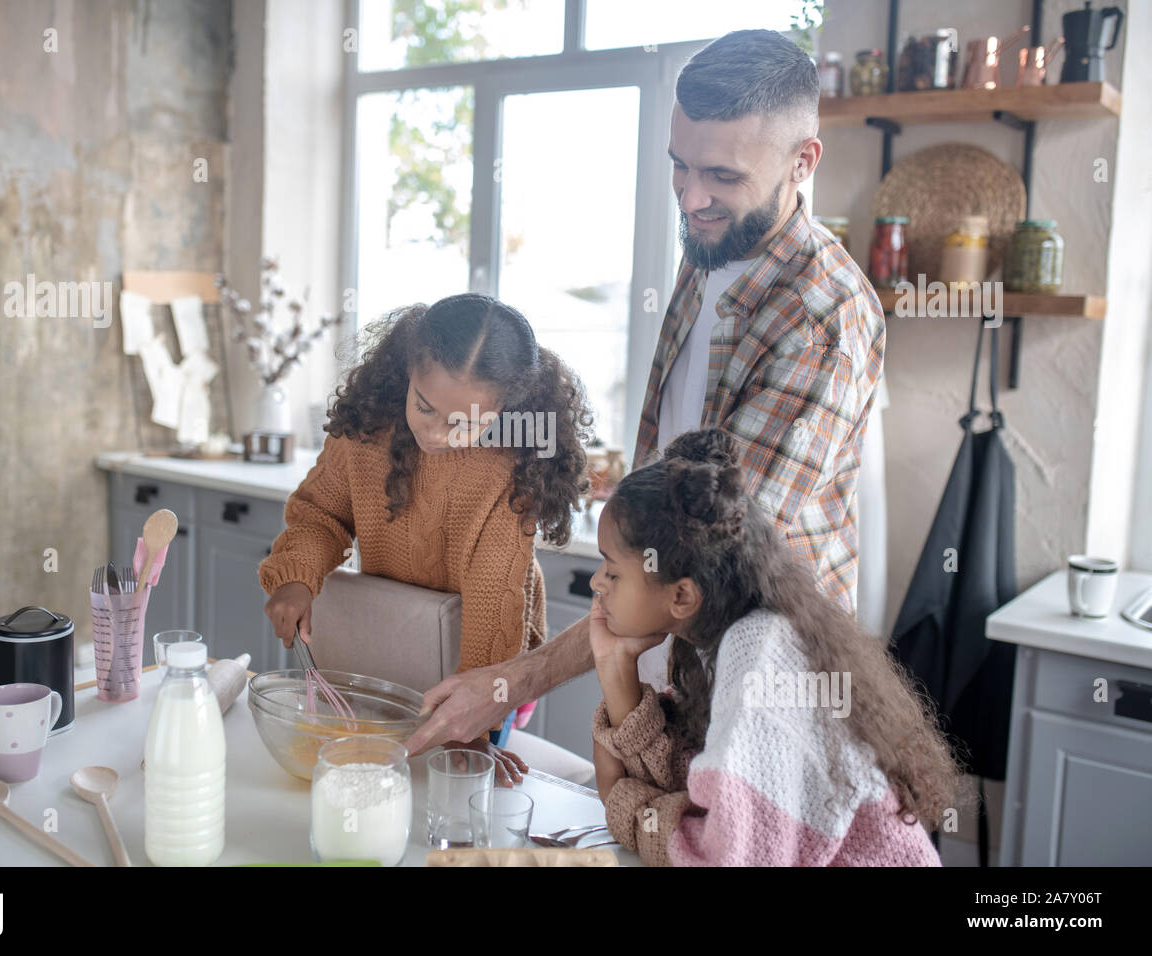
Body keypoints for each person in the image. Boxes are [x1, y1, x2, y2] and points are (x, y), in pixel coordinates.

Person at [406, 28, 885, 758]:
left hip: (768, 698)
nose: (692, 198)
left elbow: (694, 555)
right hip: (682, 667)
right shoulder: (710, 251)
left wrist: (513, 680)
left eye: (722, 176)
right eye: (679, 166)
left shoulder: (823, 321)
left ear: (803, 162)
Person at [260, 292, 594, 784]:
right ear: (408, 370)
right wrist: (296, 577)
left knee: (446, 779)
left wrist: (473, 730)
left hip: (487, 657)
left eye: (464, 423)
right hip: (398, 641)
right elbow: (321, 513)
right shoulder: (364, 428)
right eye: (425, 407)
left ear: (506, 407)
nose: (437, 434)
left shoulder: (510, 467)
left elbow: (493, 601)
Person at [589, 427, 960, 865]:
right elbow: (691, 785)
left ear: (682, 596)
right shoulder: (722, 638)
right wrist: (615, 670)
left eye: (612, 570)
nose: (597, 582)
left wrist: (622, 801)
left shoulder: (760, 655)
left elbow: (731, 859)